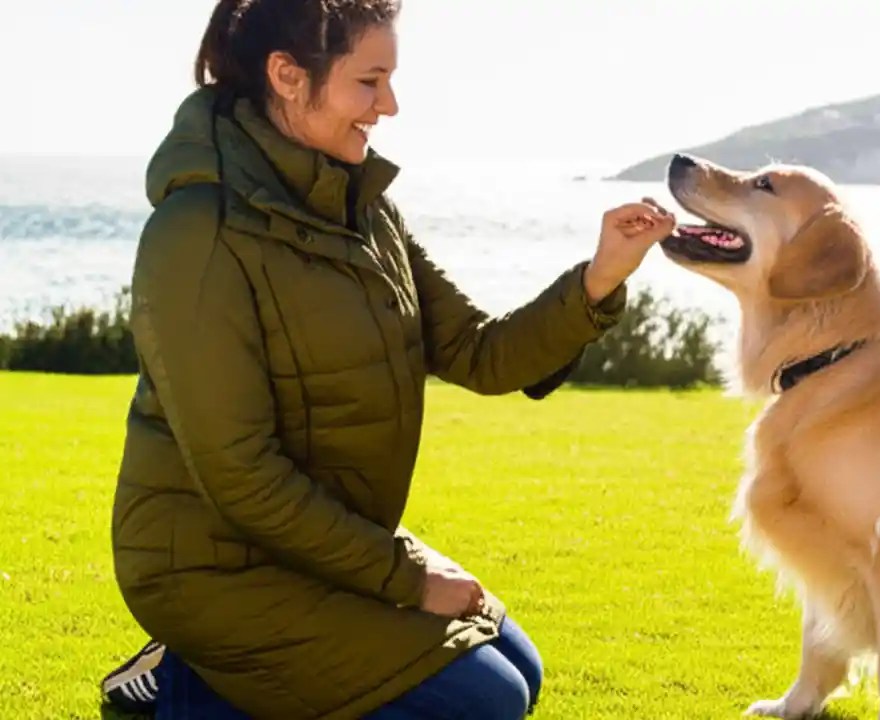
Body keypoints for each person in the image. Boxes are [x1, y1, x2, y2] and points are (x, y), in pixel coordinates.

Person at [99, 0, 675, 718]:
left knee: (518, 668)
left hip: (318, 538)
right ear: (286, 75)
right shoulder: (198, 235)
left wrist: (600, 277)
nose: (390, 105)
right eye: (370, 82)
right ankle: (185, 686)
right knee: (484, 703)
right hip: (211, 564)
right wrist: (405, 576)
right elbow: (240, 476)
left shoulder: (364, 210)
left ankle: (201, 676)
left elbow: (478, 352)